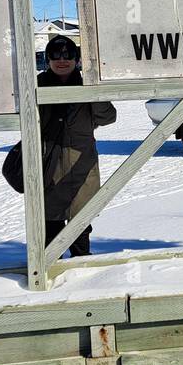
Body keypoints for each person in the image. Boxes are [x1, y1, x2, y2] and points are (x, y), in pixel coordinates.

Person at [38, 35, 116, 257]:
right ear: (48, 59)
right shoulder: (36, 85)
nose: (62, 60)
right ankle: (50, 266)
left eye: (68, 55)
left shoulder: (87, 83)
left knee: (81, 219)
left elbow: (108, 116)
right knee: (50, 220)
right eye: (55, 55)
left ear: (76, 59)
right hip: (47, 166)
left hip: (82, 164)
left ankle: (82, 264)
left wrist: (93, 93)